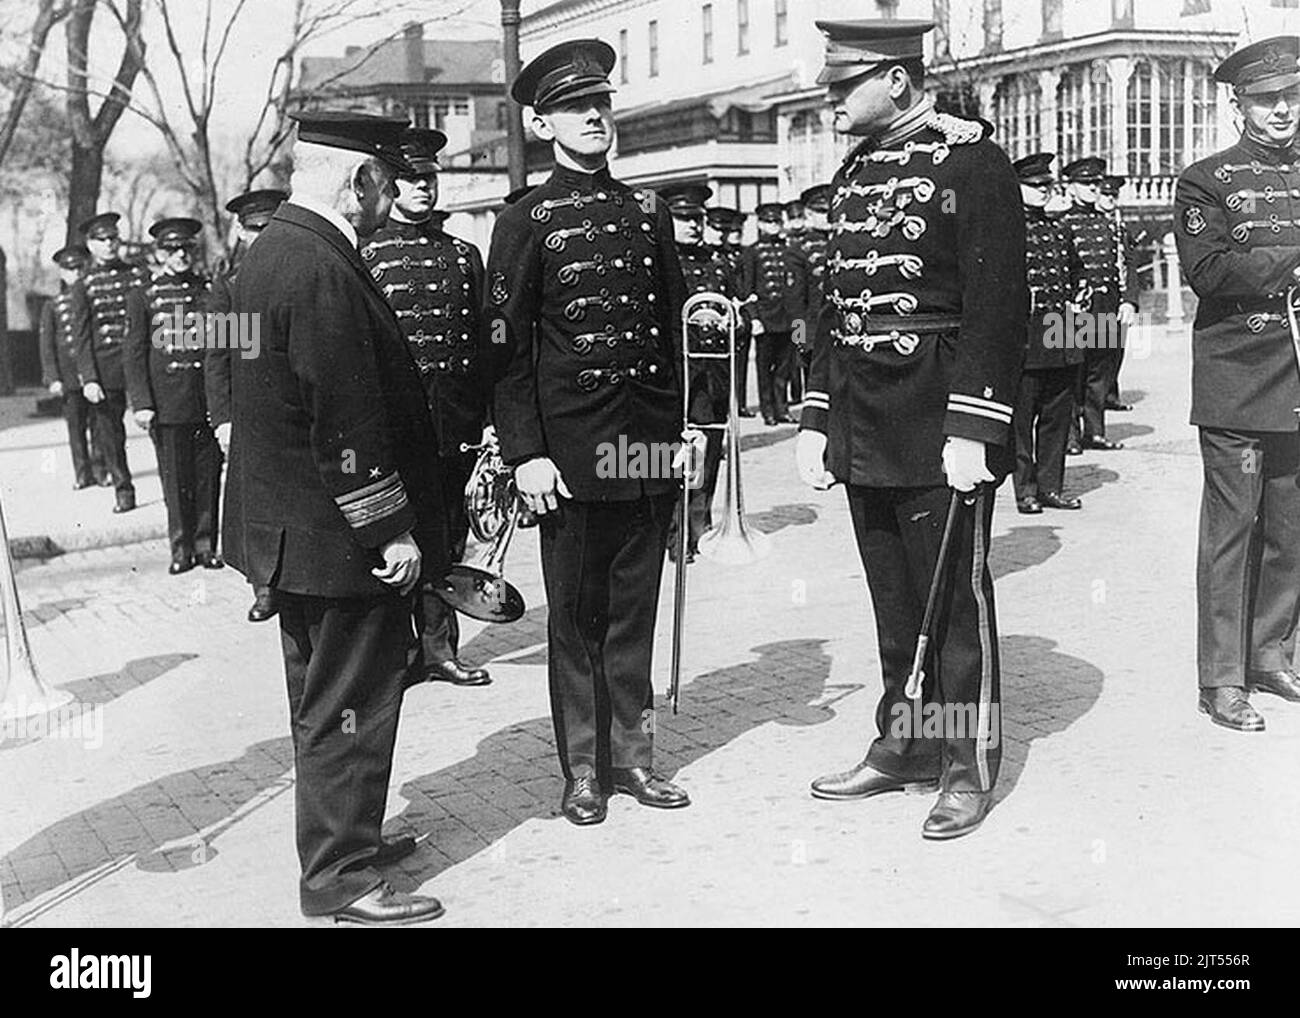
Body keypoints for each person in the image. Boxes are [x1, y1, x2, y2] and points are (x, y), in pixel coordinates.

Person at [796, 18, 1026, 840]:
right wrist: (817, 415)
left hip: (938, 419)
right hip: (864, 416)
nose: (830, 102)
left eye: (841, 86)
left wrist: (975, 427)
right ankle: (906, 743)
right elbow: (834, 303)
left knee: (951, 608)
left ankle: (965, 767)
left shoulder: (974, 163)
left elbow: (997, 307)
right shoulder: (858, 169)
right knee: (894, 600)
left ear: (896, 79)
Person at [223, 111, 448, 925]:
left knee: (324, 702)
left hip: (294, 534)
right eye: (384, 186)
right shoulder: (319, 265)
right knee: (350, 705)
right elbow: (341, 417)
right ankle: (340, 880)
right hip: (334, 540)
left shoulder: (275, 250)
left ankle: (346, 839)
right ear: (357, 182)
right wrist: (387, 528)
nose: (389, 203)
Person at [484, 38, 696, 826]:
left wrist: (682, 436)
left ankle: (635, 758)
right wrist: (526, 453)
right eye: (577, 108)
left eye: (602, 104)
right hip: (568, 450)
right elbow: (504, 351)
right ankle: (581, 769)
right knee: (575, 615)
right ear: (543, 125)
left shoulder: (649, 211)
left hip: (642, 442)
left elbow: (672, 334)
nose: (596, 118)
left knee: (634, 606)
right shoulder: (525, 220)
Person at [1174, 35, 1300, 732]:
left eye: (1291, 98)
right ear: (1239, 105)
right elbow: (1210, 272)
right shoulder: (1207, 181)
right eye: (1266, 100)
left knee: (1292, 529)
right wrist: (1290, 267)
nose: (1282, 111)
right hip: (1238, 381)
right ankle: (1221, 680)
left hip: (1298, 382)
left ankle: (1270, 654)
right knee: (1233, 529)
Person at [363, 126, 492, 687]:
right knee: (395, 535)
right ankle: (395, 651)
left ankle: (439, 649)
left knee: (447, 536)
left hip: (455, 419)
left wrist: (488, 419)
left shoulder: (463, 255)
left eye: (429, 179)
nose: (422, 188)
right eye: (411, 179)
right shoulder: (365, 253)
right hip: (394, 422)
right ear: (390, 185)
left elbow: (485, 342)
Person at [124, 217, 223, 574]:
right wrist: (142, 403)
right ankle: (181, 548)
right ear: (159, 253)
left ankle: (206, 544)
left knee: (207, 475)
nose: (180, 255)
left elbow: (228, 339)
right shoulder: (143, 296)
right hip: (166, 405)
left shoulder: (208, 289)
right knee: (175, 478)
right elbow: (134, 352)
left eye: (186, 249)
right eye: (172, 249)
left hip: (206, 401)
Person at [207, 187, 288, 621]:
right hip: (249, 414)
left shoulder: (298, 271)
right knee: (255, 503)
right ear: (241, 232)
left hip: (293, 409)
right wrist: (223, 419)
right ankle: (264, 587)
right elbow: (216, 358)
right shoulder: (230, 287)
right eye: (256, 229)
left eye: (271, 227)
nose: (264, 236)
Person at [1012, 153, 1085, 514]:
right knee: (1022, 418)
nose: (1044, 191)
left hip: (1060, 333)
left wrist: (1076, 305)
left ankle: (1051, 487)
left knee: (1058, 415)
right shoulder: (1006, 230)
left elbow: (1075, 271)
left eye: (1047, 185)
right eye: (1035, 186)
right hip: (1025, 336)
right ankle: (1025, 489)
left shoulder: (1059, 229)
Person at [664, 182, 732, 562]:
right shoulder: (661, 262)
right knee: (671, 455)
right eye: (683, 218)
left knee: (708, 453)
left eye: (697, 219)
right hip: (678, 374)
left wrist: (728, 321)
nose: (693, 225)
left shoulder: (717, 262)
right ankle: (673, 533)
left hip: (712, 375)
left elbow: (740, 309)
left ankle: (698, 526)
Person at [70, 211, 148, 513]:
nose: (109, 244)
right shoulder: (84, 285)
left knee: (158, 428)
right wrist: (88, 378)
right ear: (90, 245)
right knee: (111, 435)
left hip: (141, 362)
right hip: (107, 368)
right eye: (102, 240)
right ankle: (123, 489)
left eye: (113, 238)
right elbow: (81, 336)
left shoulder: (137, 276)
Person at [1060, 157, 1138, 452]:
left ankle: (1094, 431)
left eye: (1096, 183)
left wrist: (1128, 302)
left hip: (1104, 305)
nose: (1094, 188)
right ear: (1070, 187)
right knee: (1068, 373)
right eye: (1086, 183)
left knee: (1099, 372)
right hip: (1072, 309)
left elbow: (1125, 266)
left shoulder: (1110, 224)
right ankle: (1068, 435)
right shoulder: (1060, 221)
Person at [39, 245, 107, 490]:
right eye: (70, 269)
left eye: (79, 268)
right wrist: (52, 377)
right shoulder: (54, 305)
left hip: (93, 372)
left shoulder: (94, 299)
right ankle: (82, 473)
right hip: (69, 376)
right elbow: (46, 345)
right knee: (75, 426)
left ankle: (101, 470)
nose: (76, 273)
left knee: (99, 424)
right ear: (62, 273)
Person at [740, 202, 810, 426]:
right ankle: (767, 409)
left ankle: (782, 408)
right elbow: (747, 290)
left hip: (789, 317)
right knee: (764, 367)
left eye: (777, 222)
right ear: (760, 224)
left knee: (786, 367)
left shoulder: (789, 248)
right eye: (769, 222)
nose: (774, 226)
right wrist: (754, 318)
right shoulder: (751, 252)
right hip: (766, 317)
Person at [790, 183, 833, 415]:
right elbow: (796, 304)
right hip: (815, 335)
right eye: (821, 212)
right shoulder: (798, 251)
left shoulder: (844, 242)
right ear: (808, 214)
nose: (828, 217)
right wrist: (800, 341)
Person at [707, 206, 753, 416]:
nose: (725, 236)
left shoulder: (741, 255)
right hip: (786, 319)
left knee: (789, 361)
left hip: (791, 321)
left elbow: (742, 290)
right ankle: (771, 410)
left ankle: (780, 406)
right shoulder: (715, 259)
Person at [1098, 173, 1135, 412]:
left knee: (1114, 351)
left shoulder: (1119, 226)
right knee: (1092, 355)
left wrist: (1130, 300)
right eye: (1106, 194)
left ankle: (1109, 394)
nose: (1111, 198)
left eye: (1114, 195)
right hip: (1092, 300)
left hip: (1116, 300)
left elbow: (1130, 265)